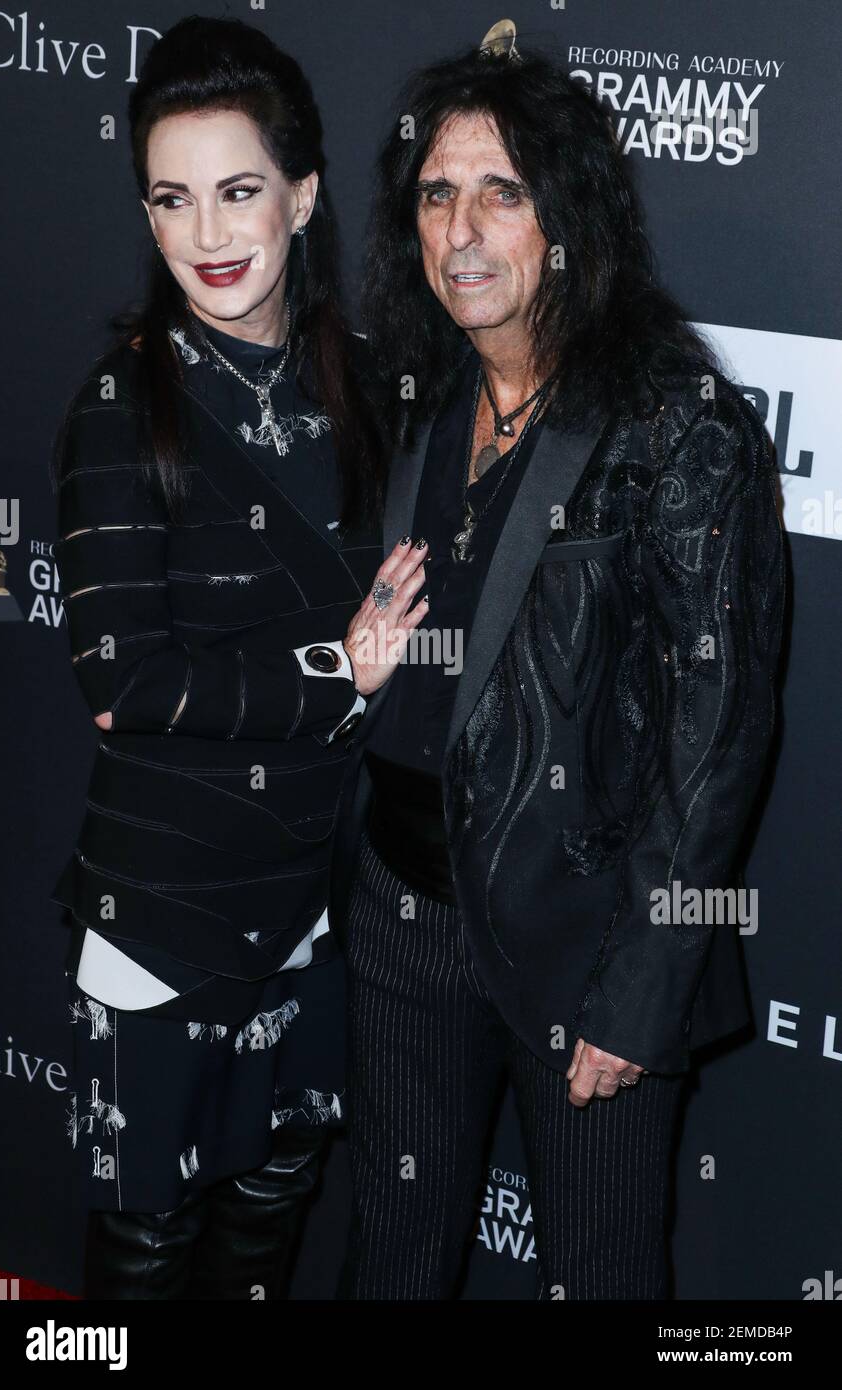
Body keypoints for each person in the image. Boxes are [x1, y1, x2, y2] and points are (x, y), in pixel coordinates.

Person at [333, 28, 787, 1300]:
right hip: (402, 916)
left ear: (566, 219)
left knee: (595, 1276)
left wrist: (642, 993)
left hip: (579, 940)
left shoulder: (675, 429)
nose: (461, 230)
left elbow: (719, 736)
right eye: (436, 194)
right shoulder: (423, 395)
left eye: (502, 192)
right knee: (393, 1258)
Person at [49, 15, 388, 1300]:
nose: (206, 234)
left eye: (238, 190)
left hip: (312, 901)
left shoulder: (366, 383)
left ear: (300, 196)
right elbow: (123, 682)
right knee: (142, 1245)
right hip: (164, 908)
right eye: (171, 199)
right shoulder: (119, 408)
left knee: (271, 1207)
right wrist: (331, 674)